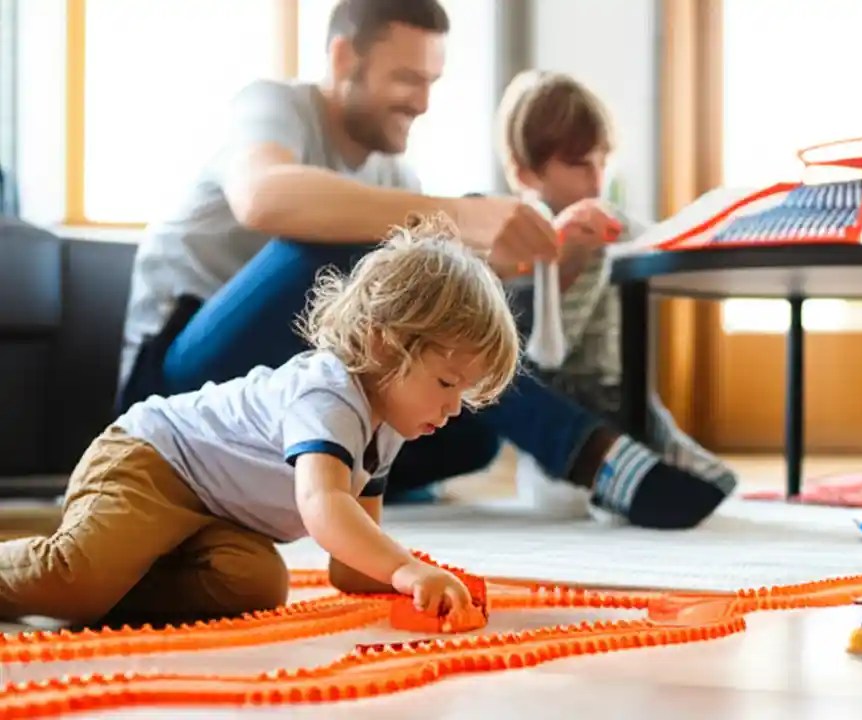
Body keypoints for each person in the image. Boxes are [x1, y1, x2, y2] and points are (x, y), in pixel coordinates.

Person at [116, 0, 730, 530]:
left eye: (434, 81)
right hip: (180, 389)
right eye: (408, 78)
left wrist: (557, 260)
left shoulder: (395, 176)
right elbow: (263, 197)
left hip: (293, 395)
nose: (425, 101)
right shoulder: (273, 106)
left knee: (470, 418)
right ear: (341, 61)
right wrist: (461, 217)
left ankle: (350, 468)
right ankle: (598, 457)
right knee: (355, 252)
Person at [0, 218, 515, 625]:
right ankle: (90, 572)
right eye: (447, 384)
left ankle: (117, 574)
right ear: (385, 343)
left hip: (216, 517)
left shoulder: (387, 428)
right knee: (76, 581)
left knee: (253, 586)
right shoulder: (327, 392)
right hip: (152, 462)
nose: (452, 410)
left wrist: (424, 583)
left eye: (463, 394)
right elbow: (323, 506)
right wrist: (407, 566)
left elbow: (350, 565)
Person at [492, 69, 737, 506]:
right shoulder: (513, 237)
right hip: (558, 390)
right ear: (527, 172)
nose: (596, 179)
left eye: (603, 161)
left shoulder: (611, 223)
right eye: (579, 164)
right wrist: (564, 266)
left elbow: (660, 241)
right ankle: (612, 473)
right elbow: (527, 348)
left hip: (617, 385)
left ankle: (653, 471)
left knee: (699, 467)